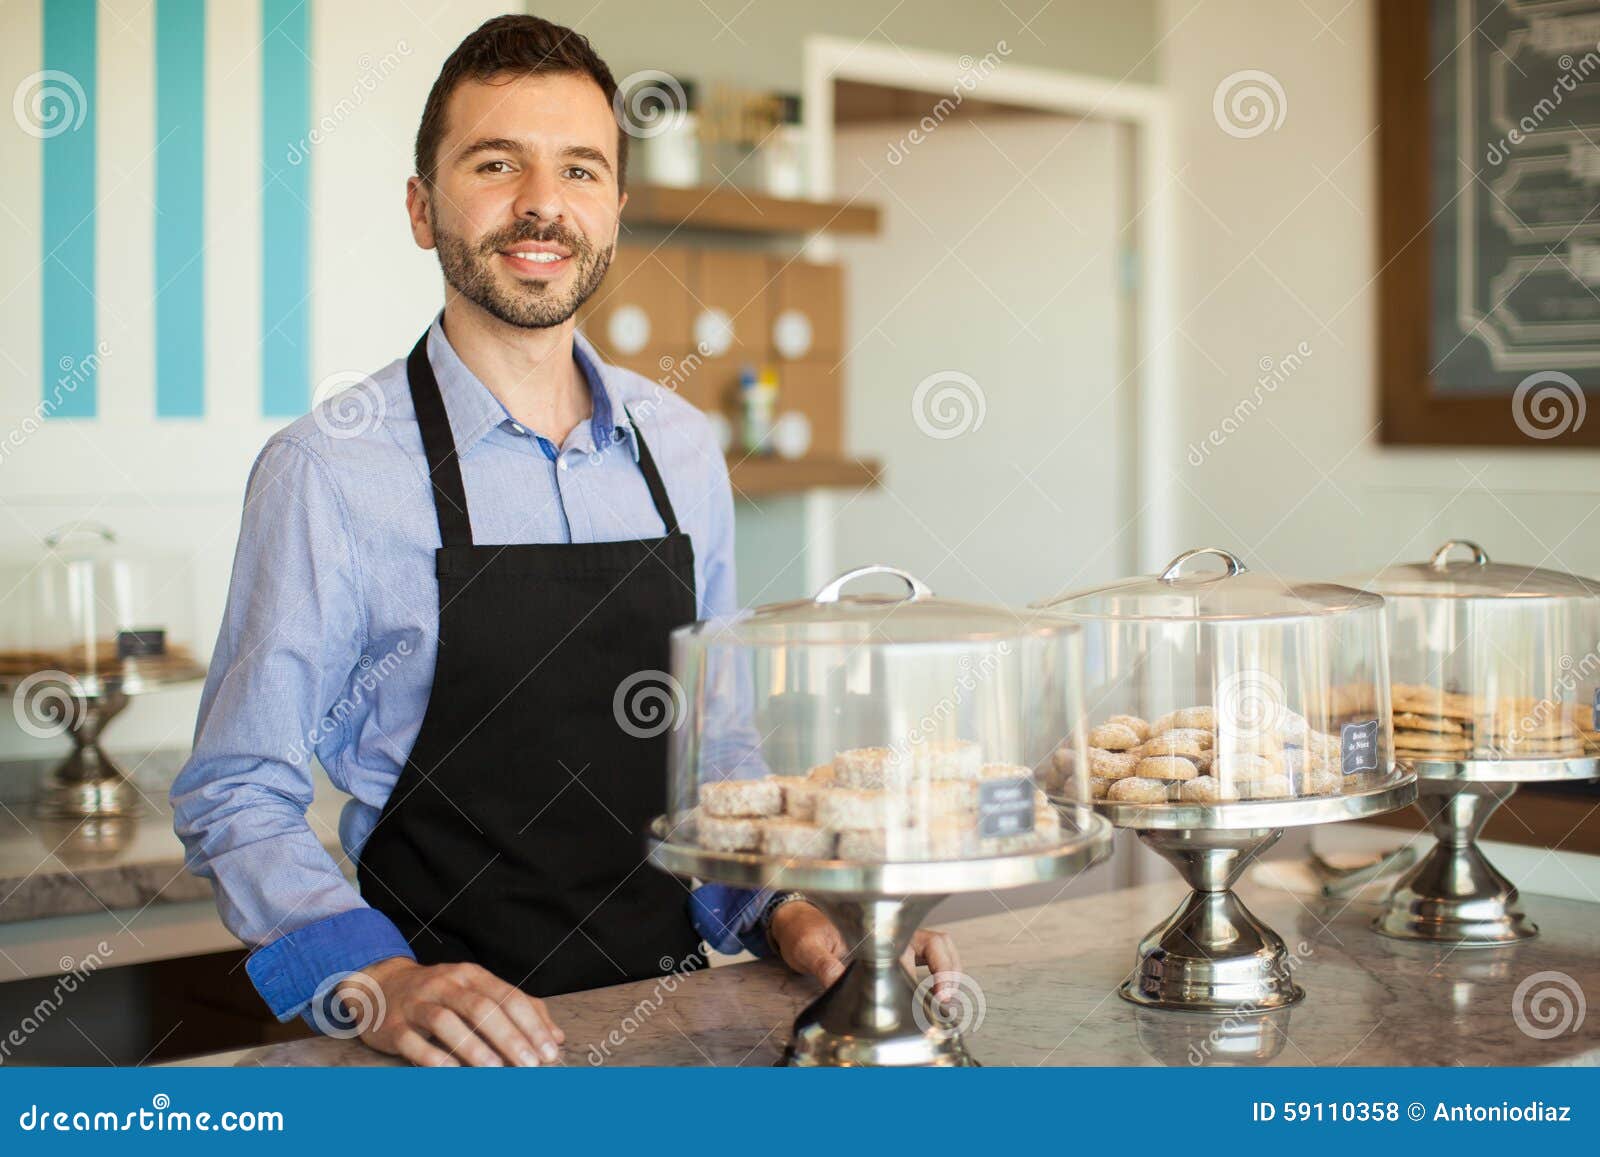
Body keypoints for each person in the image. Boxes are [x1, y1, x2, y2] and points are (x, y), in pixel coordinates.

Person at [172, 13, 956, 1068]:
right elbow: (237, 789)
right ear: (421, 206)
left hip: (677, 1030)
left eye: (579, 169)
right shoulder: (329, 469)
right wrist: (378, 980)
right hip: (442, 1052)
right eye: (496, 163)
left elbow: (711, 753)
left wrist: (790, 911)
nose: (542, 202)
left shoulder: (678, 445)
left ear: (615, 210)